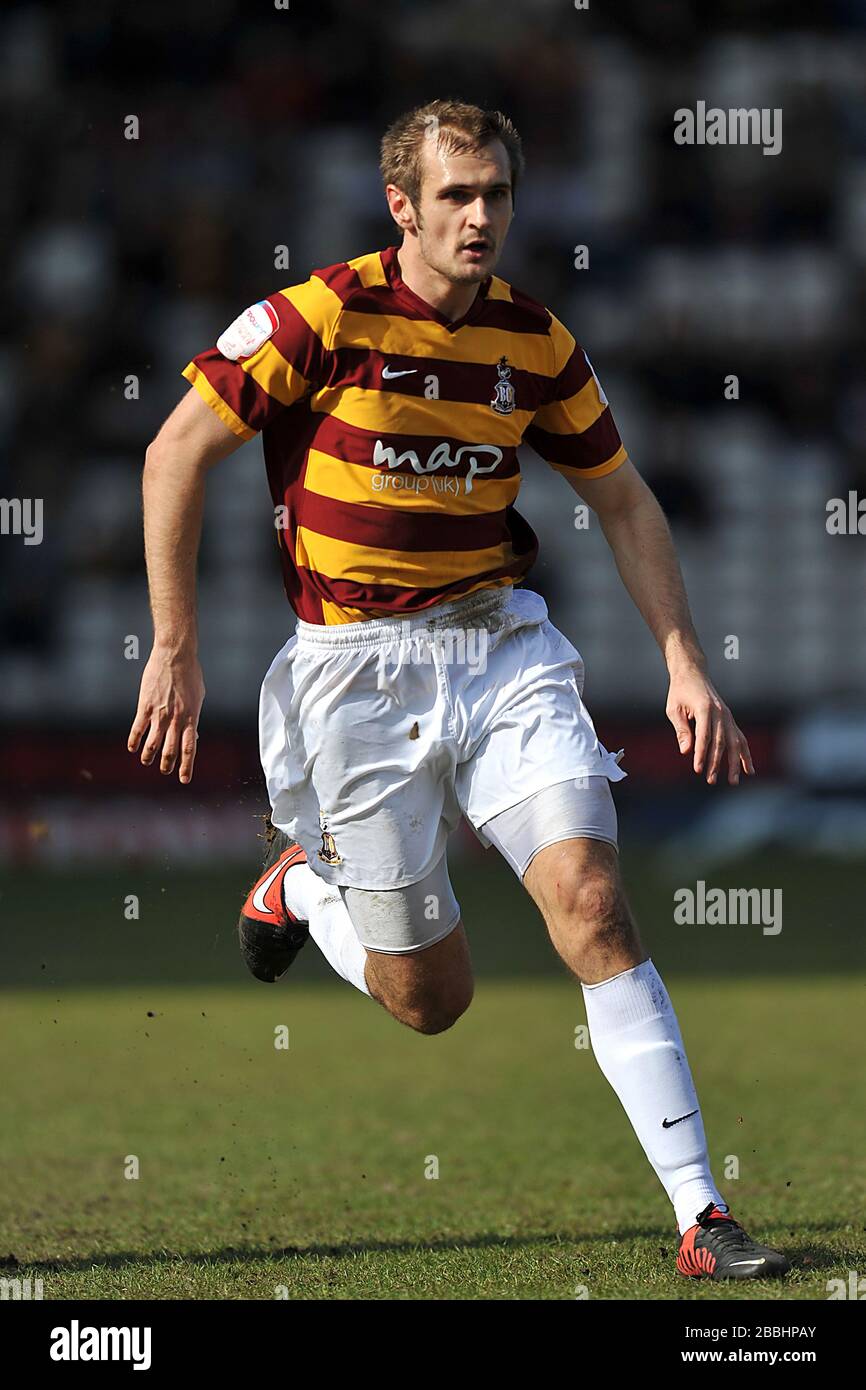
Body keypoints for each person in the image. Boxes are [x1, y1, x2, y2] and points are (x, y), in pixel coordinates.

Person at [129, 99, 789, 1282]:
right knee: (430, 1001)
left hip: (498, 649)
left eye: (493, 196)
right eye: (454, 196)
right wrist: (174, 644)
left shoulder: (535, 341)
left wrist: (686, 658)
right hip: (354, 678)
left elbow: (623, 498)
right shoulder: (318, 315)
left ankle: (701, 1214)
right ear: (402, 206)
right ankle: (305, 887)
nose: (479, 216)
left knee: (590, 903)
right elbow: (172, 450)